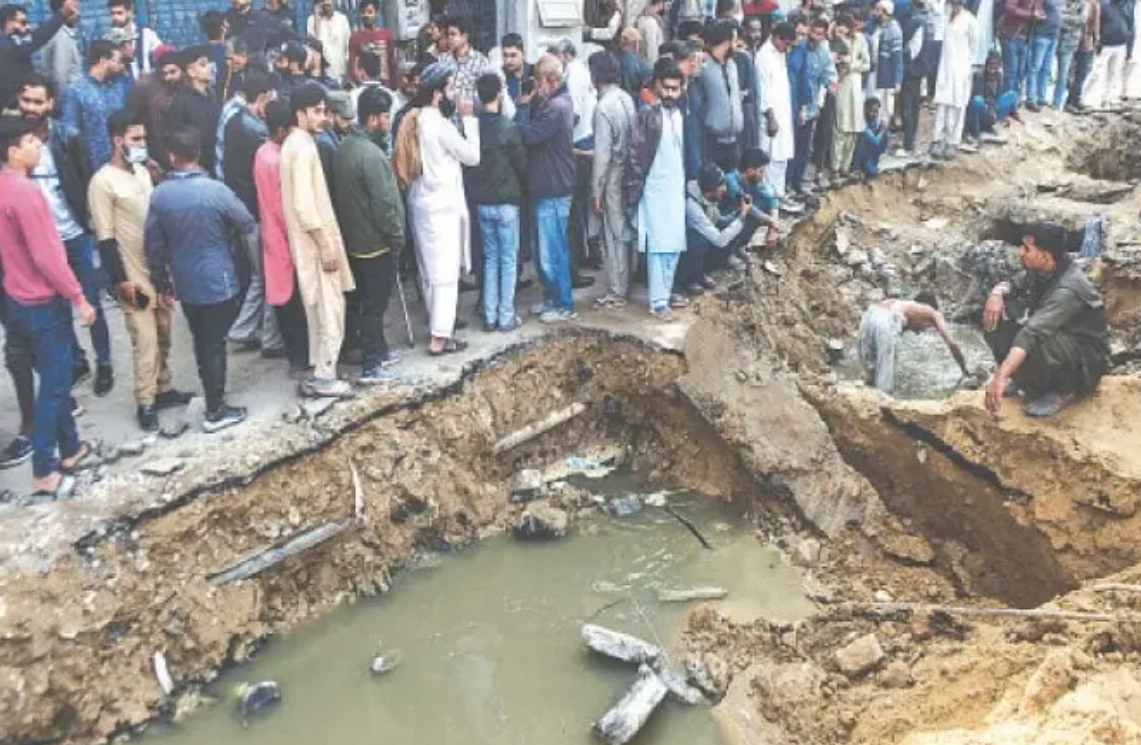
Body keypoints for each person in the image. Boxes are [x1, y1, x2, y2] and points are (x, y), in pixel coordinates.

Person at [0, 115, 97, 497]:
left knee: (52, 377)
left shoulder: (5, 187)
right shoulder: (26, 193)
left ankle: (70, 450)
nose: (39, 144)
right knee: (56, 387)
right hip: (42, 301)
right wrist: (79, 297)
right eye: (30, 141)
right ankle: (44, 470)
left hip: (17, 297)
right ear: (13, 151)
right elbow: (47, 256)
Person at [88, 110, 192, 431]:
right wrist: (121, 281)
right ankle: (145, 401)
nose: (141, 144)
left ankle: (164, 388)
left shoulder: (144, 173)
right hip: (132, 275)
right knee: (144, 340)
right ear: (117, 140)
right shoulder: (102, 182)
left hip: (157, 270)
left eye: (144, 139)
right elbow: (105, 239)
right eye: (135, 139)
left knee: (164, 333)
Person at [145, 126, 254, 432]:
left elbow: (153, 244)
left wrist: (161, 282)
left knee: (201, 340)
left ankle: (213, 399)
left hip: (186, 281)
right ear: (199, 153)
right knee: (215, 342)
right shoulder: (215, 191)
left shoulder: (160, 195)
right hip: (219, 278)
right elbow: (246, 222)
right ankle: (216, 410)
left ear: (171, 156)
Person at [21, 75, 115, 396]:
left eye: (38, 102)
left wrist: (92, 223)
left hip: (73, 234)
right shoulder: (14, 141)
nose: (31, 107)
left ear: (50, 104)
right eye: (26, 100)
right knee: (57, 307)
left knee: (90, 301)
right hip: (40, 241)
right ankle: (77, 361)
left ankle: (104, 362)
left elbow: (86, 181)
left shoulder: (68, 136)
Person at [983, 223, 1111, 418]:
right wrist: (996, 294)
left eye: (1027, 249)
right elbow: (1013, 284)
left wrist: (1000, 377)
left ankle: (1066, 390)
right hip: (1060, 341)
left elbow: (1032, 332)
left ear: (1045, 255)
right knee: (997, 314)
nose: (1020, 253)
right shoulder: (1042, 270)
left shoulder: (1068, 289)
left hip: (1085, 363)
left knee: (1037, 334)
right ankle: (1027, 379)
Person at [281, 83, 355, 395]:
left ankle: (321, 372)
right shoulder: (301, 148)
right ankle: (325, 376)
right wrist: (325, 245)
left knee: (321, 311)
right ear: (300, 113)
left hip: (310, 242)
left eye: (325, 111)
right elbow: (303, 206)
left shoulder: (297, 144)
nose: (323, 117)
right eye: (317, 111)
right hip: (316, 244)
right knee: (330, 311)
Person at [331, 86, 404, 382]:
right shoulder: (371, 155)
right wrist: (397, 237)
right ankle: (372, 365)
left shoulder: (346, 147)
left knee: (363, 302)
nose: (389, 122)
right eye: (386, 117)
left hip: (355, 241)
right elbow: (384, 205)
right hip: (375, 243)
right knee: (375, 306)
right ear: (374, 119)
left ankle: (380, 352)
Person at [223, 71, 284, 358]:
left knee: (261, 276)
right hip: (256, 215)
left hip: (243, 211)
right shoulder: (256, 132)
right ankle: (270, 339)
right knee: (269, 275)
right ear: (262, 97)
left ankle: (243, 330)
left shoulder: (234, 122)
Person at [516, 54, 580, 324]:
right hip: (547, 186)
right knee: (545, 250)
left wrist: (522, 106)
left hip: (553, 189)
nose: (535, 86)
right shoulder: (556, 102)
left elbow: (529, 136)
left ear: (551, 80)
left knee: (552, 252)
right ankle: (553, 298)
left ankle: (564, 305)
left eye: (538, 81)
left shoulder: (556, 107)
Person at [464, 73, 526, 331]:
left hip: (482, 202)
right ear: (500, 94)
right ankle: (506, 316)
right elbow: (521, 165)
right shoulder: (508, 127)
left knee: (490, 259)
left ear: (478, 97)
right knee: (508, 260)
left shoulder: (471, 129)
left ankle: (489, 316)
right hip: (506, 201)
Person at [629, 59, 689, 318]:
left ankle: (665, 293)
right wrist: (635, 190)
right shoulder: (647, 116)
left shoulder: (681, 115)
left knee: (674, 244)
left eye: (675, 89)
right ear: (657, 86)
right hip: (654, 190)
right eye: (666, 88)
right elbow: (635, 156)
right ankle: (658, 302)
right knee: (658, 247)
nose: (670, 94)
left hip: (675, 190)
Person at [255, 100, 309, 377]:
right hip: (284, 239)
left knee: (286, 304)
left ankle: (296, 359)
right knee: (293, 307)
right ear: (280, 131)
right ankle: (299, 361)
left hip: (270, 236)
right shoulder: (278, 160)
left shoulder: (262, 152)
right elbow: (282, 206)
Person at [589, 52, 638, 309]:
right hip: (630, 170)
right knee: (626, 229)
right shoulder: (626, 98)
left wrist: (596, 191)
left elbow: (602, 156)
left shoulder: (602, 108)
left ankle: (618, 289)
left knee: (614, 232)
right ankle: (627, 281)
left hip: (613, 176)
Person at [859, 293, 971, 395]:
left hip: (869, 315)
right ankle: (885, 404)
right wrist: (964, 369)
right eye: (927, 326)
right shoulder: (934, 313)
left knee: (871, 372)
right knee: (885, 379)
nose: (919, 332)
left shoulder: (902, 305)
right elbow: (952, 344)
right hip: (888, 320)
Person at [678, 162, 751, 298]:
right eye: (722, 185)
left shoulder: (706, 196)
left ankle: (701, 273)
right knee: (700, 241)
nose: (725, 189)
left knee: (735, 226)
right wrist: (741, 217)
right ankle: (688, 279)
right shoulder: (692, 206)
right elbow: (719, 240)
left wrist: (739, 212)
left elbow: (719, 221)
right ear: (711, 188)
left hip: (703, 239)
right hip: (684, 250)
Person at [62, 40, 128, 174]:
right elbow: (70, 130)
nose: (121, 66)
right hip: (92, 165)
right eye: (117, 61)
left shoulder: (117, 86)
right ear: (103, 60)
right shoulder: (77, 90)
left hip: (120, 160)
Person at [0, 0, 75, 108]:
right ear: (9, 22)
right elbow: (37, 37)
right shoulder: (7, 46)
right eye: (23, 22)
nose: (27, 27)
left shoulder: (13, 44)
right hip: (11, 111)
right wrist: (62, 14)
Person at [694, 20, 746, 172]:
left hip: (733, 141)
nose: (737, 45)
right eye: (734, 40)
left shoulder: (732, 65)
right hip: (710, 140)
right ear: (726, 41)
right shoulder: (702, 62)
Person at [931, 0, 979, 159]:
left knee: (957, 107)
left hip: (961, 70)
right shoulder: (946, 17)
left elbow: (974, 47)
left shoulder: (970, 20)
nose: (953, 6)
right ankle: (938, 140)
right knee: (942, 107)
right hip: (944, 69)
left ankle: (953, 142)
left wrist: (967, 69)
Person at [757, 23, 797, 204]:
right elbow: (763, 90)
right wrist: (770, 117)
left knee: (782, 157)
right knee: (771, 159)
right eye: (786, 44)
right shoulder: (764, 56)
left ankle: (779, 196)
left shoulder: (780, 53)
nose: (787, 48)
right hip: (770, 117)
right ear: (776, 38)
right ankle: (770, 200)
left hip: (783, 113)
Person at [165, 46, 222, 174]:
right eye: (203, 64)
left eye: (208, 63)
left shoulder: (212, 96)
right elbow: (176, 141)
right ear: (191, 72)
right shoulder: (180, 103)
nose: (209, 67)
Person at [131, 46, 180, 172]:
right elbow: (135, 124)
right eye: (165, 73)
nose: (168, 77)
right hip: (156, 154)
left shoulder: (186, 85)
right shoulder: (145, 87)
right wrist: (144, 159)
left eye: (173, 72)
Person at [803, 17, 838, 188]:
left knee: (816, 140)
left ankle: (812, 175)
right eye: (814, 33)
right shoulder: (799, 48)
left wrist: (832, 87)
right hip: (796, 103)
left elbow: (830, 77)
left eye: (820, 34)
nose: (815, 38)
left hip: (815, 103)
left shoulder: (824, 52)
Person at [898, 0, 936, 157]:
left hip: (911, 70)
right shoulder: (930, 22)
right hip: (921, 70)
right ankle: (911, 142)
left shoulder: (915, 22)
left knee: (908, 108)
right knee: (914, 106)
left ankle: (908, 145)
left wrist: (907, 66)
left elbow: (911, 49)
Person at [1083, 0, 1133, 108]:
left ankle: (1106, 99)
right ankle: (1082, 97)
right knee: (1096, 73)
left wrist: (1129, 47)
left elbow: (1131, 25)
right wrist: (1097, 41)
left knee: (1113, 74)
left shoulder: (1125, 7)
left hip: (1121, 45)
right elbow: (1096, 25)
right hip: (1106, 46)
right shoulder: (1104, 6)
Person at [966, 52, 1018, 139]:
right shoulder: (979, 75)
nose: (993, 70)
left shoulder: (999, 75)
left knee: (1012, 95)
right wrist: (989, 109)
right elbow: (977, 95)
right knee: (977, 100)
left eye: (996, 68)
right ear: (986, 65)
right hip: (982, 107)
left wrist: (994, 109)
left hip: (992, 107)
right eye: (991, 67)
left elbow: (998, 95)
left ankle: (993, 126)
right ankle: (975, 131)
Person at [998, 0, 1040, 103]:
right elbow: (1009, 7)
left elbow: (1038, 10)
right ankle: (1005, 103)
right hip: (1010, 36)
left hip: (1024, 39)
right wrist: (1030, 14)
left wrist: (1040, 14)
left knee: (1020, 73)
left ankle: (1013, 102)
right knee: (1011, 72)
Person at [107, 0, 161, 80]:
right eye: (112, 13)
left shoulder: (146, 34)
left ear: (130, 12)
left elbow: (163, 55)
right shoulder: (108, 40)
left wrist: (152, 73)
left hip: (146, 83)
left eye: (119, 13)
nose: (115, 17)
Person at [40, 0, 84, 96]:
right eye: (74, 9)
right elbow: (60, 76)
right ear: (62, 11)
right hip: (67, 99)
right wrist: (62, 102)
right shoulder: (61, 36)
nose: (79, 14)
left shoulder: (56, 32)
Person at [348, 0, 396, 87]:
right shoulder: (355, 38)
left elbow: (392, 63)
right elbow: (352, 66)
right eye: (363, 12)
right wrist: (359, 81)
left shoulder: (386, 35)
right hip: (365, 87)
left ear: (376, 13)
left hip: (385, 87)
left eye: (370, 12)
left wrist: (394, 87)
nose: (366, 15)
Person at [872, 0, 905, 124]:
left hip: (887, 74)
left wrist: (897, 80)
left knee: (885, 109)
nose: (875, 13)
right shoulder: (877, 26)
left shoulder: (894, 29)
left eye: (878, 10)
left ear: (885, 12)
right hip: (876, 72)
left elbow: (897, 57)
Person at [1054, 0, 1092, 108]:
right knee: (1044, 70)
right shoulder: (1061, 2)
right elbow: (1057, 17)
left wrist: (1064, 20)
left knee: (1063, 75)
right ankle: (1041, 100)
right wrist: (1070, 22)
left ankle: (1057, 103)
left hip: (1070, 43)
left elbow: (1082, 20)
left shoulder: (1083, 4)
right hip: (1055, 39)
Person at [1026, 0, 1063, 110]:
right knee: (1035, 68)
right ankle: (1031, 98)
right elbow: (1035, 9)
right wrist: (1039, 15)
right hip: (1042, 35)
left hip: (1054, 36)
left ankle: (1041, 98)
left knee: (1046, 69)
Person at [1067, 0, 1102, 109]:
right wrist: (1096, 40)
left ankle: (1072, 100)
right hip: (1084, 41)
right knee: (1081, 72)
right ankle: (1073, 101)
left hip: (1075, 39)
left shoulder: (1086, 3)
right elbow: (1094, 25)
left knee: (1075, 72)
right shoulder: (1093, 4)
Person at [307, 0, 351, 83]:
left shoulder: (342, 19)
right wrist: (317, 18)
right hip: (323, 74)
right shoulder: (312, 20)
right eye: (323, 2)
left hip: (341, 71)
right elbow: (314, 44)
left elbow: (348, 44)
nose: (327, 4)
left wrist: (348, 71)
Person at [317, 90, 354, 184]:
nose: (350, 124)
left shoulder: (335, 136)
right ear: (329, 115)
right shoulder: (324, 144)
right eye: (345, 119)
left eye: (351, 119)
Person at [852, 97, 891, 177]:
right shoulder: (863, 125)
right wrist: (882, 131)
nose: (875, 114)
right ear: (866, 110)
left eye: (876, 112)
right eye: (872, 111)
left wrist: (884, 130)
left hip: (872, 154)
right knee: (872, 172)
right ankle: (857, 169)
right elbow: (875, 141)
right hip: (863, 158)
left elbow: (885, 138)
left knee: (886, 134)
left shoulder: (874, 122)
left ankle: (880, 158)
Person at [501, 33, 532, 101]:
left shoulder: (534, 73)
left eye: (513, 55)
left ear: (523, 54)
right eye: (505, 55)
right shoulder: (500, 76)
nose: (508, 60)